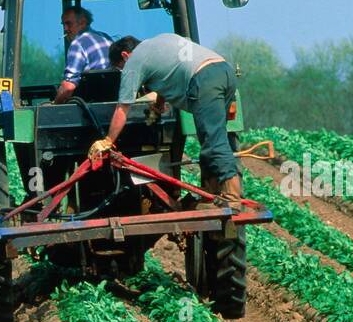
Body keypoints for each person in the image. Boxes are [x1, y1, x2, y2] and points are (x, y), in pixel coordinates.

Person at [94, 34, 242, 203]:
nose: (124, 72)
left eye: (121, 68)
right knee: (212, 138)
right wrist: (159, 105)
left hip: (204, 79)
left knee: (213, 140)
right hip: (223, 71)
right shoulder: (159, 42)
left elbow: (123, 107)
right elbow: (168, 74)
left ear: (125, 56)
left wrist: (107, 140)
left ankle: (232, 197)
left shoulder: (134, 61)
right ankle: (213, 192)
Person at [53, 7, 112, 103]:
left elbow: (68, 86)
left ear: (82, 23)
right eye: (63, 25)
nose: (65, 29)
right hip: (113, 100)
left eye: (68, 24)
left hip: (93, 105)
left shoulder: (78, 43)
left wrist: (54, 105)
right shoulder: (106, 37)